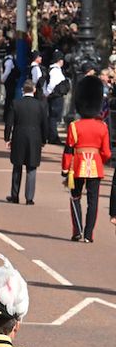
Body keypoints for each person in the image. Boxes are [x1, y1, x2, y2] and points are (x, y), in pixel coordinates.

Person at [63, 75, 110, 242]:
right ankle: (89, 234)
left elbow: (68, 150)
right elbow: (107, 152)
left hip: (77, 166)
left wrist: (65, 169)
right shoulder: (102, 127)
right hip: (95, 166)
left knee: (75, 197)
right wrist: (99, 159)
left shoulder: (74, 126)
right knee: (93, 201)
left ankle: (77, 230)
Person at [4, 79, 50, 204]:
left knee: (17, 167)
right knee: (31, 168)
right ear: (34, 90)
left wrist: (7, 138)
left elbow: (9, 123)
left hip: (19, 136)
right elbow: (45, 124)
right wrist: (44, 139)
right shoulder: (40, 105)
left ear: (23, 90)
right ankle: (29, 198)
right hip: (35, 137)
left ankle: (15, 195)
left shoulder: (16, 103)